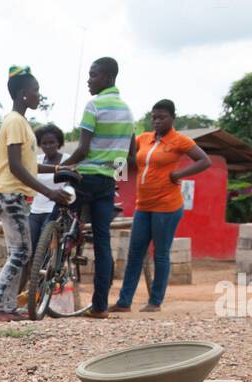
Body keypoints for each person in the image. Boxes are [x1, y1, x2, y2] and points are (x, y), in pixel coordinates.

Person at [0, 66, 73, 322]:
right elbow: (15, 166)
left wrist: (59, 169)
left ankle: (7, 306)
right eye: (35, 91)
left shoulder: (21, 123)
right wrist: (48, 192)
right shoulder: (14, 122)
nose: (38, 96)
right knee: (21, 254)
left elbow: (29, 164)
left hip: (12, 196)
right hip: (8, 195)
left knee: (20, 253)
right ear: (23, 94)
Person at [111, 99, 211, 312]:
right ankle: (124, 302)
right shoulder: (144, 139)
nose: (156, 121)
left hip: (167, 206)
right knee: (135, 253)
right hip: (143, 205)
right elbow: (128, 160)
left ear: (172, 118)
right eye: (154, 117)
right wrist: (116, 167)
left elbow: (205, 161)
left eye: (161, 117)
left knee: (160, 253)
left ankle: (155, 301)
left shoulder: (180, 141)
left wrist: (179, 174)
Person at [61, 56, 133, 318]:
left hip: (84, 179)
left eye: (93, 75)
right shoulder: (127, 111)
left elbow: (81, 150)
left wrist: (62, 166)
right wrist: (114, 173)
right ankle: (100, 306)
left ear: (108, 78)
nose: (89, 80)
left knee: (59, 217)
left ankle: (60, 257)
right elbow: (129, 155)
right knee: (103, 242)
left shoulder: (94, 106)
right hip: (107, 183)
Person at [28, 124, 70, 249]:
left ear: (59, 142)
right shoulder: (37, 161)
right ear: (40, 145)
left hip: (56, 211)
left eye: (52, 142)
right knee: (29, 247)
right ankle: (31, 269)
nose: (48, 146)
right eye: (44, 143)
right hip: (35, 210)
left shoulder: (67, 160)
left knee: (44, 248)